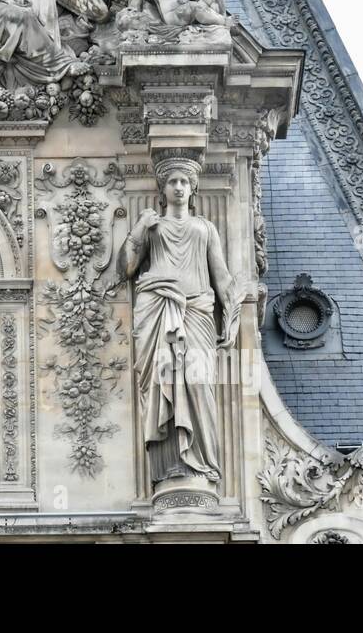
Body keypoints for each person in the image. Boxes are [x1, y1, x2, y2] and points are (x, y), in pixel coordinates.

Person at [114, 154, 244, 486]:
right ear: (163, 188)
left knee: (199, 381)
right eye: (172, 181)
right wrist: (141, 227)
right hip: (157, 313)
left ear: (193, 188)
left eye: (184, 182)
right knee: (162, 382)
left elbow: (223, 278)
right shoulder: (153, 227)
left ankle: (202, 465)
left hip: (198, 313)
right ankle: (173, 468)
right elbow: (126, 269)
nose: (179, 187)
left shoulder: (205, 228)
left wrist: (232, 314)